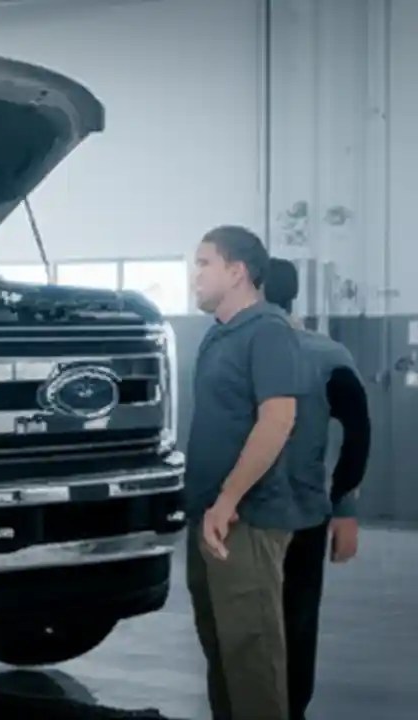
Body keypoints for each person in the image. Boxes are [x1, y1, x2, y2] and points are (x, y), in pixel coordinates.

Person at [186, 225, 314, 720]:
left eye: (203, 264)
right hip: (210, 517)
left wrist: (228, 499)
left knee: (251, 657)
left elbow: (277, 420)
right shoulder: (219, 335)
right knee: (221, 652)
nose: (194, 275)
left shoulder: (267, 331)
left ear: (236, 271)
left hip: (247, 519)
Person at [263, 258, 371, 720]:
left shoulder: (230, 348)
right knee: (298, 619)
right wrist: (343, 504)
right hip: (307, 511)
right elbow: (358, 429)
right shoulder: (328, 353)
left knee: (245, 624)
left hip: (245, 515)